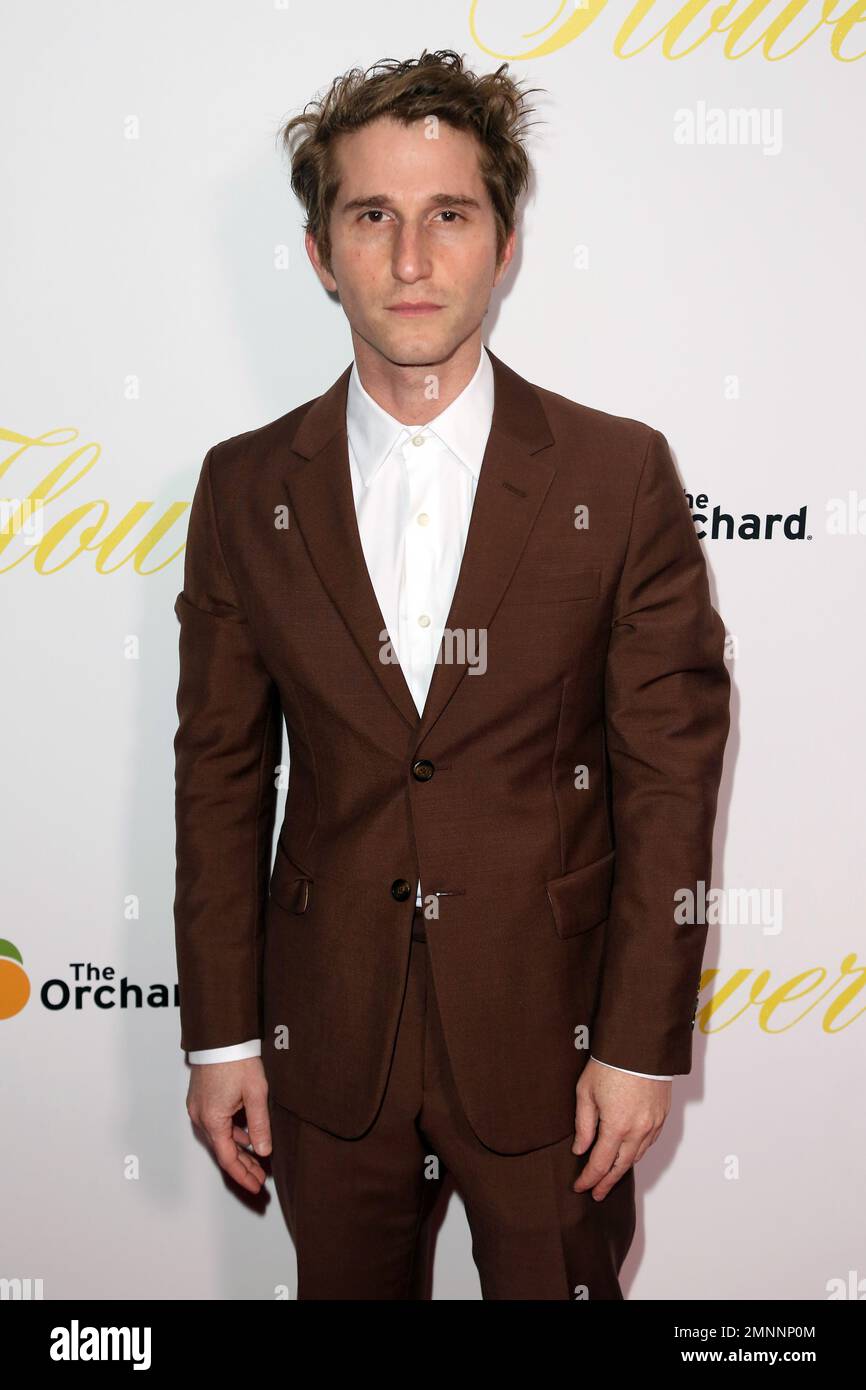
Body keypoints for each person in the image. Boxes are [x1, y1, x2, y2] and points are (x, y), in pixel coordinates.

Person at [173, 49, 731, 1300]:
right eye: (372, 216)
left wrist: (639, 1045)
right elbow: (217, 776)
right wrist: (218, 1033)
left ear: (504, 241)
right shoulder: (244, 485)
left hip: (552, 1044)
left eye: (448, 216)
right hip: (327, 1043)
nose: (411, 259)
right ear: (320, 253)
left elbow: (666, 783)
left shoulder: (616, 475)